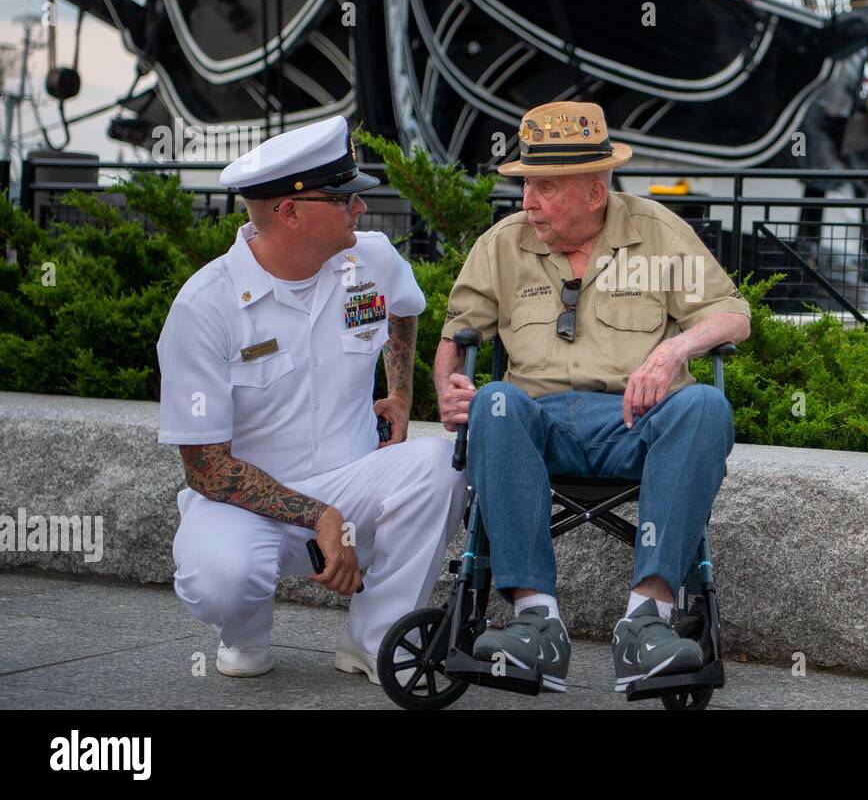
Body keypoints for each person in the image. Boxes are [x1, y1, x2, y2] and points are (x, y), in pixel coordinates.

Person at [436, 100, 750, 693]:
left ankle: (646, 621)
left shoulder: (657, 233)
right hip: (537, 425)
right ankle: (535, 621)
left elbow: (732, 315)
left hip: (634, 424)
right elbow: (458, 334)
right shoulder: (502, 245)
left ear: (594, 191)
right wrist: (451, 389)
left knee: (706, 406)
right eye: (526, 184)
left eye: (544, 187)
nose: (528, 201)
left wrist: (674, 351)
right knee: (494, 402)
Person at [157, 116, 466, 683]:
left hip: (353, 478)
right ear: (290, 212)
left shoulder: (369, 260)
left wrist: (399, 392)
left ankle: (375, 641)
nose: (360, 208)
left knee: (444, 463)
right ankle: (244, 636)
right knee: (220, 575)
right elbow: (205, 469)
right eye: (344, 197)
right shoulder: (206, 307)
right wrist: (318, 516)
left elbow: (405, 308)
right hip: (245, 504)